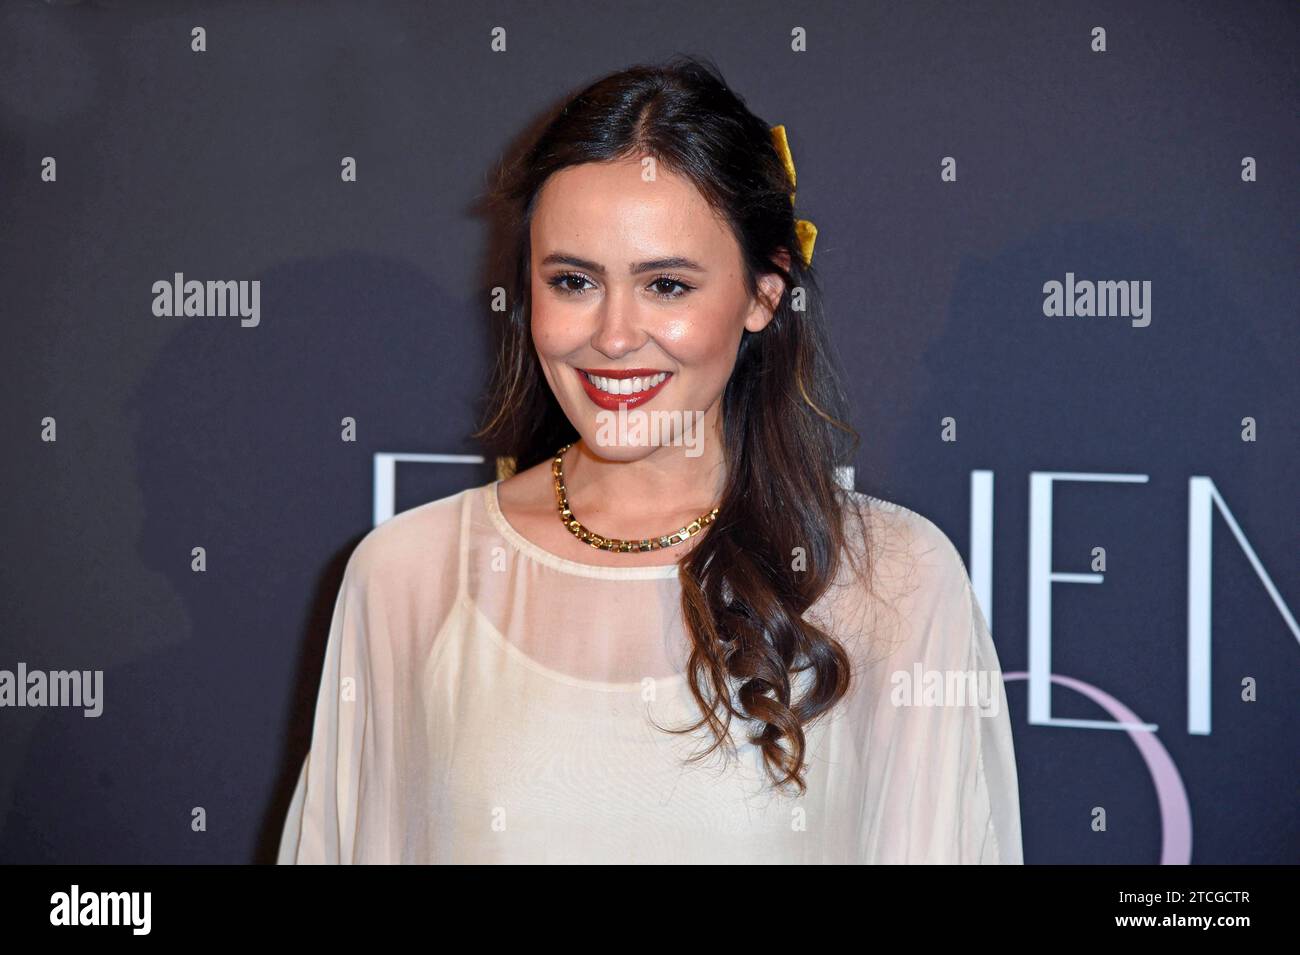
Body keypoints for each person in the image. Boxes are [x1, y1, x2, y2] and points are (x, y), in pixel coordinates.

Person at [276, 54, 1023, 864]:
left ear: (765, 294)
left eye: (666, 284)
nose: (614, 335)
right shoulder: (405, 575)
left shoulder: (898, 582)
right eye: (573, 281)